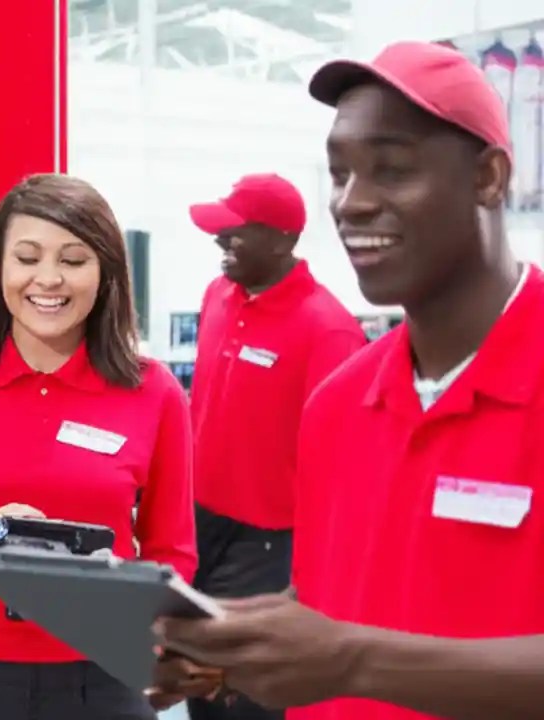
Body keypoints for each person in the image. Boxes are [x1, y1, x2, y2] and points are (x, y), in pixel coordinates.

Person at [151, 41, 544, 720]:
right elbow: (334, 603)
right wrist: (231, 645)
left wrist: (354, 661)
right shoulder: (338, 404)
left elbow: (349, 649)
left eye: (392, 170)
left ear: (488, 178)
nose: (350, 203)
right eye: (339, 174)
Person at [0, 173, 196, 720]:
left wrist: (120, 591)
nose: (48, 279)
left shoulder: (155, 392)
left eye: (73, 260)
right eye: (27, 258)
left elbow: (175, 559)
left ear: (105, 272)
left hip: (105, 683)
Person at [184, 173, 365, 720]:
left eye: (235, 231)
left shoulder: (328, 330)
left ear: (283, 240)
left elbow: (343, 467)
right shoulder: (217, 296)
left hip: (268, 541)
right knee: (194, 675)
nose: (219, 240)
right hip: (199, 526)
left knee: (244, 692)